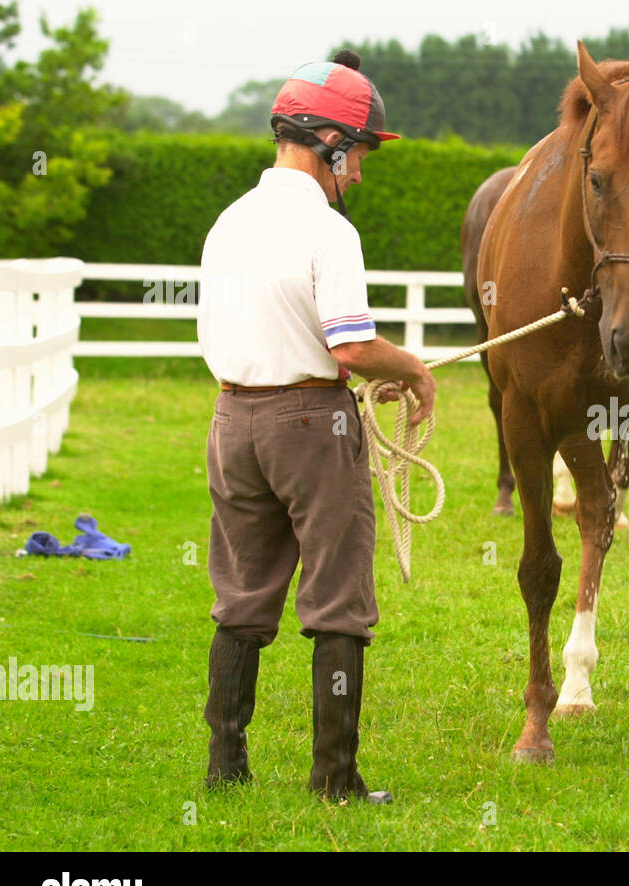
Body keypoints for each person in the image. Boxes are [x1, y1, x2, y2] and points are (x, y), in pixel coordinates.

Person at [197, 50, 435, 804]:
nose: (359, 172)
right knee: (338, 601)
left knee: (241, 596)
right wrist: (414, 371)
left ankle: (225, 764)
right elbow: (352, 347)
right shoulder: (329, 232)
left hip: (232, 420)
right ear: (328, 143)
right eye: (357, 155)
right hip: (310, 426)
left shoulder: (228, 221)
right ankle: (335, 778)